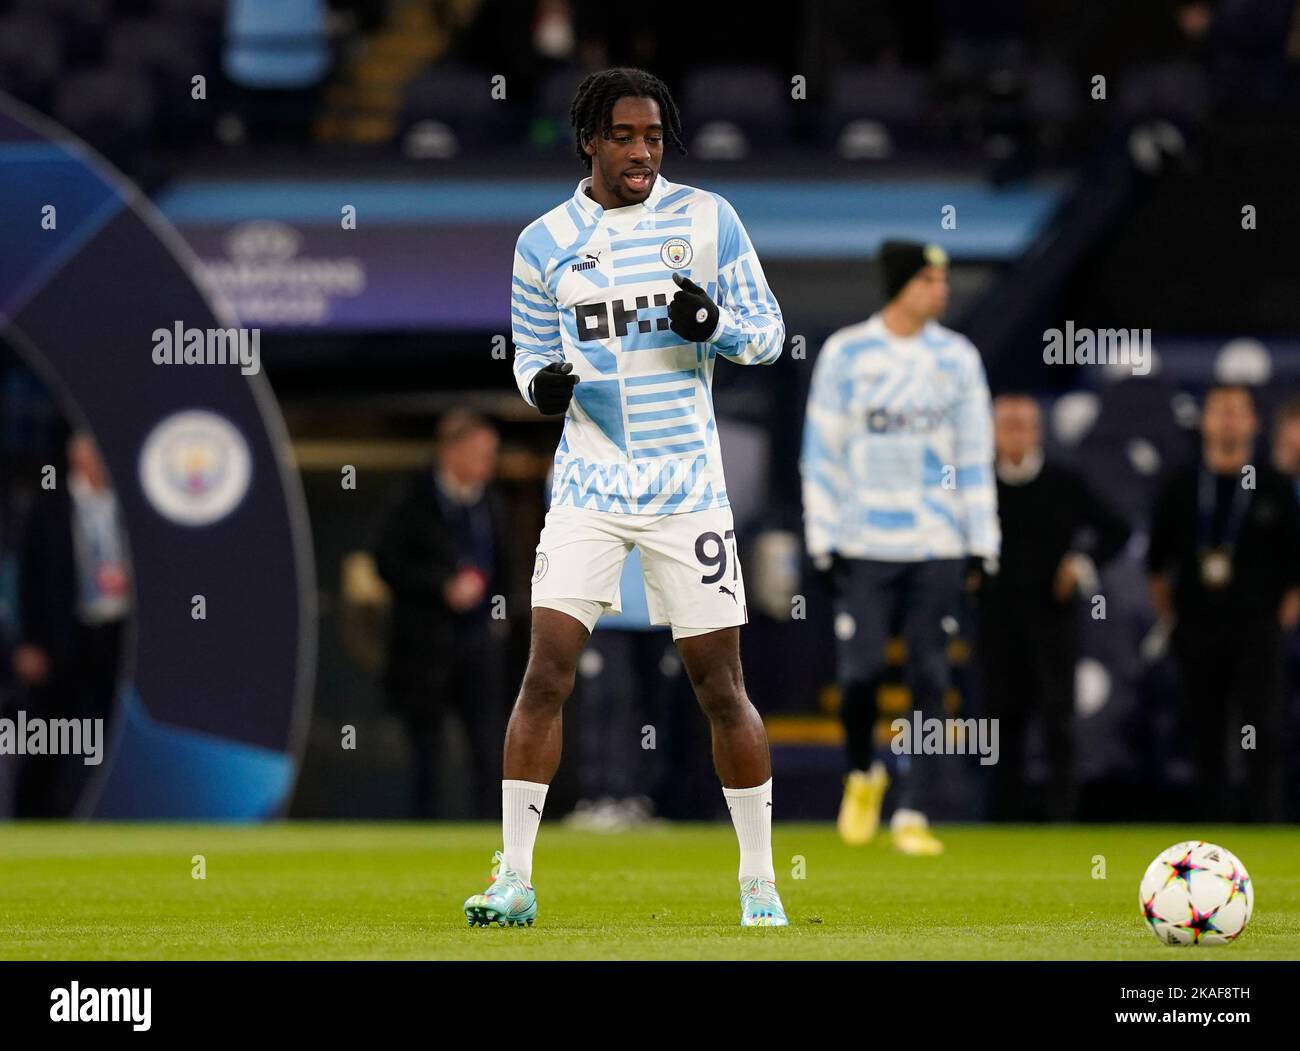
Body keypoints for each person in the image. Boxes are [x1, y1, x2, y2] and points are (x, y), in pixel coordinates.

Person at [463, 67, 787, 928]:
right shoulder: (543, 242)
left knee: (721, 685)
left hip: (687, 487)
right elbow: (528, 356)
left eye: (653, 137)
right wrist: (546, 388)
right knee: (545, 672)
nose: (643, 151)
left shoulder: (708, 219)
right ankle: (515, 878)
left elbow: (769, 335)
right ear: (590, 141)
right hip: (590, 485)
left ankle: (759, 880)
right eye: (625, 137)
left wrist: (710, 325)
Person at [800, 240, 999, 854]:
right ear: (903, 285)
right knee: (858, 675)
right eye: (931, 279)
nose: (942, 290)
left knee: (930, 675)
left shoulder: (958, 358)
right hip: (863, 542)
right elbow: (821, 451)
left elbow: (973, 454)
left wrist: (982, 542)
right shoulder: (847, 353)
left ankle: (914, 809)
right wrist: (823, 536)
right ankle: (864, 773)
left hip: (937, 540)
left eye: (943, 280)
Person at [1148, 384, 1300, 822]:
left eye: (1239, 412)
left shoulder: (1273, 486)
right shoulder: (1181, 486)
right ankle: (1211, 831)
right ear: (1205, 421)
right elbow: (1157, 567)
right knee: (1204, 735)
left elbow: (1295, 563)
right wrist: (1174, 617)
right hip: (1197, 631)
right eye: (1221, 411)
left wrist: (1279, 620)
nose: (1230, 420)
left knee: (1262, 734)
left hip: (1257, 631)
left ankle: (1265, 825)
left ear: (1254, 422)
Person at [979, 393, 1130, 821]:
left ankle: (1062, 818)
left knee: (1057, 720)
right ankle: (1000, 819)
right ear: (991, 432)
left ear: (1038, 431)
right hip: (997, 620)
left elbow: (1116, 530)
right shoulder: (976, 487)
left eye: (1023, 424)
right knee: (1000, 722)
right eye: (1006, 424)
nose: (1015, 433)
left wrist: (1081, 564)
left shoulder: (1065, 482)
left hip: (1052, 618)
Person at [374, 411, 514, 819]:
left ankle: (493, 829)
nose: (487, 464)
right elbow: (386, 560)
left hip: (478, 644)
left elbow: (506, 568)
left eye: (491, 454)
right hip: (424, 643)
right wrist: (441, 586)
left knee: (487, 740)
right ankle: (424, 825)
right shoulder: (411, 498)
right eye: (478, 453)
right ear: (450, 451)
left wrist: (500, 618)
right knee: (426, 743)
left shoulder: (493, 503)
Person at [12, 432, 129, 816]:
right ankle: (30, 820)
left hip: (117, 637)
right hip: (61, 638)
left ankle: (109, 815)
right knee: (48, 736)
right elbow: (27, 578)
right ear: (78, 457)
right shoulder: (49, 505)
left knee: (118, 736)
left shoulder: (130, 506)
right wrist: (28, 642)